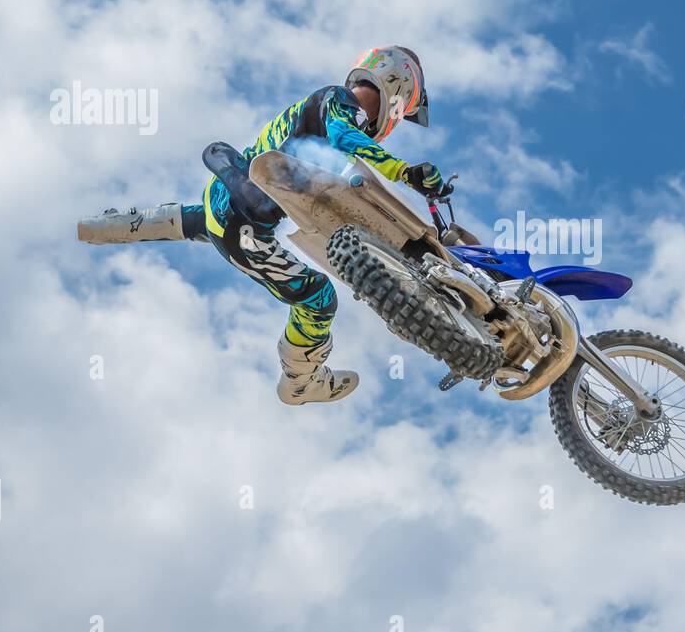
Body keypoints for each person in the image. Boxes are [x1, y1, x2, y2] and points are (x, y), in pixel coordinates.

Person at [78, 46, 445, 405]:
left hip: (226, 198)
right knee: (318, 299)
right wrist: (402, 171)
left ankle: (113, 226)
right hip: (244, 223)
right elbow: (345, 137)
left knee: (191, 222)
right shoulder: (338, 102)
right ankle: (300, 379)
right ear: (400, 92)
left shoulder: (314, 107)